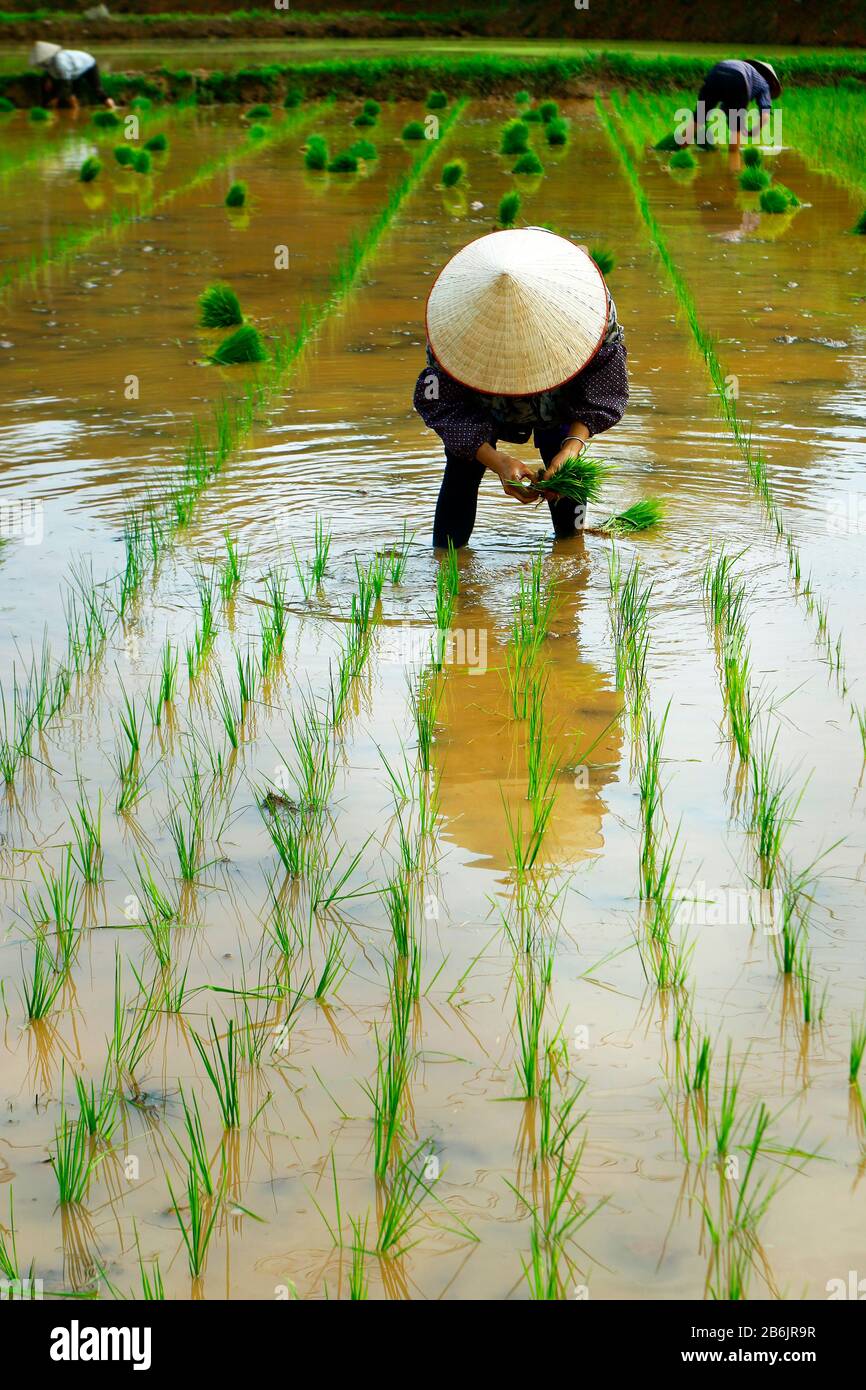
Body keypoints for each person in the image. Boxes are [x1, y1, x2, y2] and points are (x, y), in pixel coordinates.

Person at [413, 226, 628, 548]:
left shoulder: (593, 314)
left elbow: (604, 390)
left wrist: (572, 448)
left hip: (558, 401)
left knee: (565, 472)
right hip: (482, 398)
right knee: (462, 464)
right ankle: (447, 560)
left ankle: (572, 551)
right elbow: (441, 406)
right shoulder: (452, 329)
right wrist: (497, 461)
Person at [693, 59, 781, 145]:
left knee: (699, 117)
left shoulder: (747, 70)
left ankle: (680, 146)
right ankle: (735, 154)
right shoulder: (764, 85)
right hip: (739, 78)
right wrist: (754, 131)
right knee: (736, 127)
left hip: (716, 71)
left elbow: (727, 105)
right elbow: (765, 114)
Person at [30, 41, 116, 113]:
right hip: (74, 70)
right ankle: (75, 111)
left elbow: (66, 85)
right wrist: (48, 80)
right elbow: (49, 72)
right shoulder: (49, 63)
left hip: (88, 65)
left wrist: (57, 99)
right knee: (70, 93)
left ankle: (112, 109)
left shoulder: (61, 63)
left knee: (98, 91)